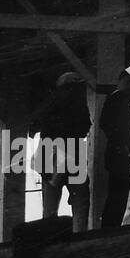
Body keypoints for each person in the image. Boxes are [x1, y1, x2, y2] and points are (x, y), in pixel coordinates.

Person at [33, 72, 92, 231]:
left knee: (50, 209)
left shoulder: (51, 107)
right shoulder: (79, 105)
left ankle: (50, 240)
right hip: (72, 157)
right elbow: (85, 127)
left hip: (51, 160)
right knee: (80, 203)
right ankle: (79, 239)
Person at [98, 65, 130, 229]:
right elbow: (106, 123)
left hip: (118, 154)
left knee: (116, 194)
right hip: (121, 155)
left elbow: (106, 123)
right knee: (119, 194)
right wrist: (122, 146)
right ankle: (111, 227)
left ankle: (110, 227)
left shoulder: (116, 98)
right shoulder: (119, 99)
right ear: (126, 81)